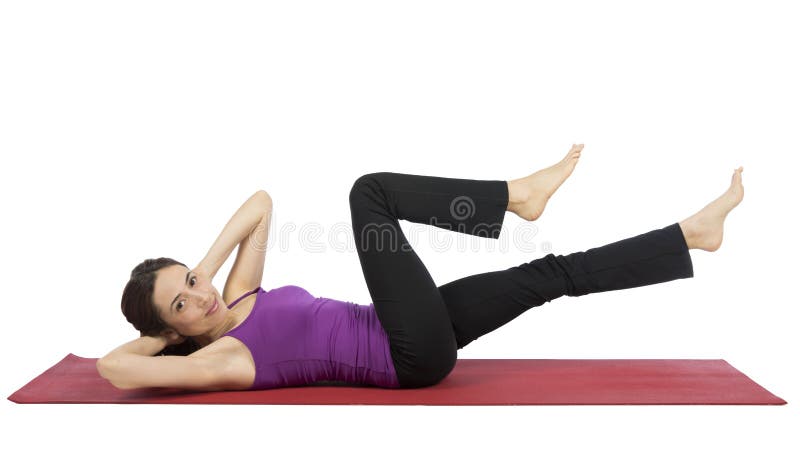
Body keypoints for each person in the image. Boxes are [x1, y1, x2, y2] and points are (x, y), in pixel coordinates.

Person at [97, 144, 745, 391]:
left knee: (551, 274)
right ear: (174, 333)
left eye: (190, 280)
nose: (199, 294)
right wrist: (170, 335)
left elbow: (261, 204)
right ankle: (515, 196)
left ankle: (689, 235)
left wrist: (200, 275)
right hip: (406, 355)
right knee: (368, 194)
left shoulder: (235, 295)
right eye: (181, 302)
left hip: (411, 327)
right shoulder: (221, 359)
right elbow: (112, 367)